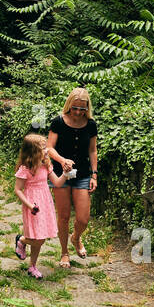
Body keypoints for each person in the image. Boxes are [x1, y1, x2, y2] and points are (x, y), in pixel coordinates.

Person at [47, 87, 98, 269]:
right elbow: (49, 148)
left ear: (87, 108)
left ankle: (75, 237)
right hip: (61, 174)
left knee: (83, 218)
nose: (78, 112)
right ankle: (64, 253)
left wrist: (94, 174)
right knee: (64, 216)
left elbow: (92, 150)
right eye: (75, 108)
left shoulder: (91, 124)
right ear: (69, 105)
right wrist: (62, 161)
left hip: (83, 174)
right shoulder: (59, 122)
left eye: (82, 109)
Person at [13, 133, 68, 279]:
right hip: (33, 205)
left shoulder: (46, 165)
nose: (46, 151)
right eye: (43, 148)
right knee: (36, 237)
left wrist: (66, 174)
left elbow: (57, 183)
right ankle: (22, 240)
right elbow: (17, 189)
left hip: (45, 202)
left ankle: (32, 266)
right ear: (33, 151)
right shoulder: (25, 168)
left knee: (41, 237)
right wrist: (30, 205)